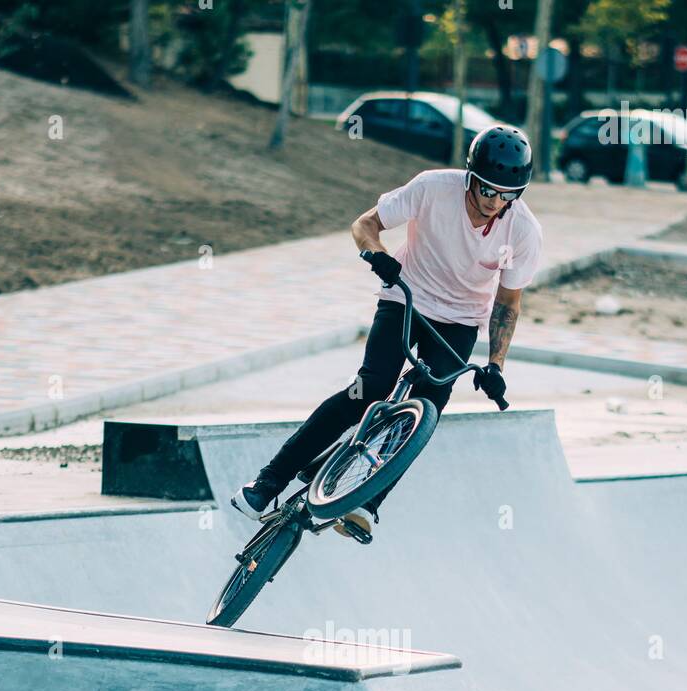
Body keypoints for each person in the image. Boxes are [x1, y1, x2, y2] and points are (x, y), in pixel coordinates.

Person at [232, 124, 542, 538]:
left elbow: (507, 304)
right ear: (470, 176)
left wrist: (496, 366)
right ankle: (267, 483)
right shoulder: (432, 188)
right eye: (487, 190)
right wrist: (378, 257)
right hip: (406, 298)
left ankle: (366, 503)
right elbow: (365, 224)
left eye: (507, 195)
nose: (494, 202)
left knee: (428, 407)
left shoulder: (523, 231)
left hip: (462, 320)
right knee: (370, 388)